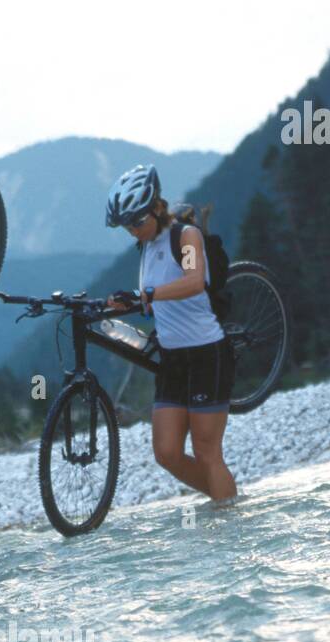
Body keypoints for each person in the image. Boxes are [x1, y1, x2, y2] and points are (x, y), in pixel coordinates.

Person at [104, 164, 236, 503]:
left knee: (207, 452)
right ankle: (228, 501)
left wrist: (148, 294)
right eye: (126, 226)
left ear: (155, 207)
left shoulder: (186, 236)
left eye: (137, 222)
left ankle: (229, 521)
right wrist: (127, 303)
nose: (133, 231)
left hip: (206, 352)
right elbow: (155, 293)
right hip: (173, 358)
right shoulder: (146, 246)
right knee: (166, 453)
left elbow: (194, 281)